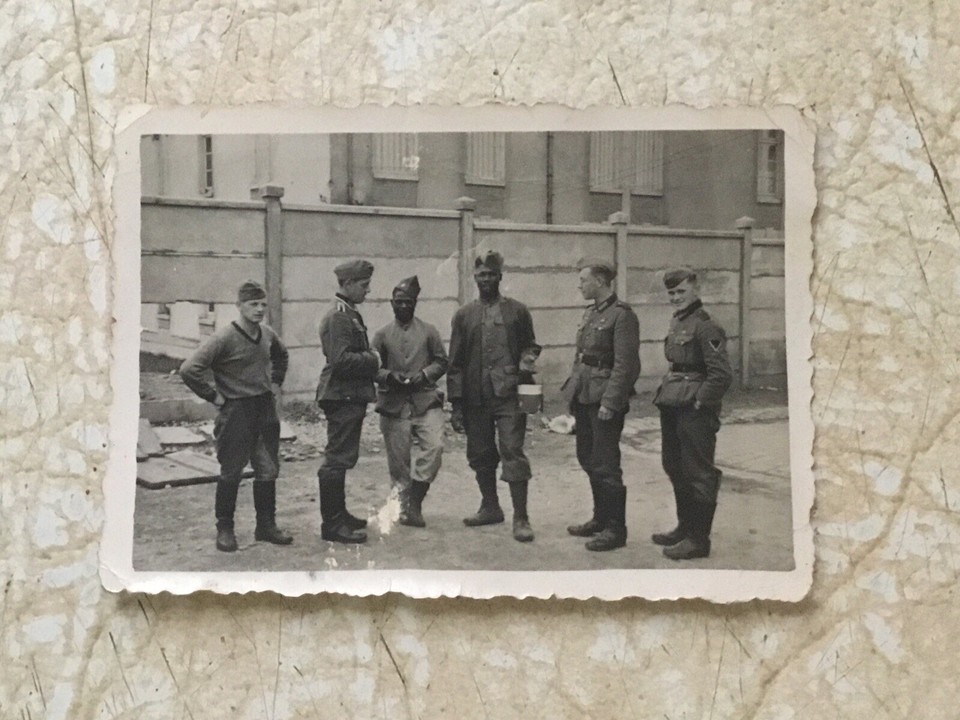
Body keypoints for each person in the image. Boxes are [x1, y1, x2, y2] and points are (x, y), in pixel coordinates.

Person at [179, 280, 293, 553]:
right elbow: (189, 369)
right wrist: (215, 397)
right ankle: (225, 529)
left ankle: (265, 526)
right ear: (239, 306)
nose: (259, 309)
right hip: (237, 412)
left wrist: (275, 382)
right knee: (231, 471)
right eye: (253, 304)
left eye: (263, 304)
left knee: (268, 469)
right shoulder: (223, 338)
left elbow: (282, 355)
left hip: (264, 409)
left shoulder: (267, 334)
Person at [448, 251, 541, 543]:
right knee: (480, 454)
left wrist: (526, 360)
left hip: (510, 395)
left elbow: (531, 345)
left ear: (500, 276)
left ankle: (521, 517)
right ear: (475, 279)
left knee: (512, 451)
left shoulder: (517, 311)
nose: (486, 280)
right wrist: (457, 405)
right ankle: (490, 506)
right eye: (481, 275)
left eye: (491, 274)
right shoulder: (464, 315)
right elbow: (456, 362)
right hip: (477, 397)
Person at [653, 267, 733, 560]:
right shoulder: (678, 321)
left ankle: (699, 540)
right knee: (674, 466)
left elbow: (721, 374)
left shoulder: (706, 326)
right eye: (671, 293)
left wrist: (702, 402)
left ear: (696, 290)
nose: (675, 298)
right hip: (673, 402)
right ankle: (685, 527)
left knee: (698, 472)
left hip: (694, 409)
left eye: (680, 292)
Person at [561, 258, 641, 551]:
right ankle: (600, 518)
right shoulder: (590, 314)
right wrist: (572, 394)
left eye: (583, 280)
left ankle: (615, 529)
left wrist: (611, 401)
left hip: (604, 399)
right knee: (588, 458)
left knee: (606, 463)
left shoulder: (623, 316)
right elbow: (580, 357)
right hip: (585, 396)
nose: (579, 285)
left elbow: (626, 365)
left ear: (600, 281)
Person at [371, 275, 449, 527]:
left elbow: (441, 361)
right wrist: (389, 377)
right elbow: (371, 367)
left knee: (435, 447)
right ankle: (406, 509)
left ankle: (416, 499)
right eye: (398, 302)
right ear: (391, 303)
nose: (403, 306)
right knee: (399, 461)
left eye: (408, 302)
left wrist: (424, 375)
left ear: (415, 303)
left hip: (425, 400)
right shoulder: (382, 334)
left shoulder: (429, 331)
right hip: (394, 405)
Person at [315, 259, 379, 544]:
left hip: (349, 395)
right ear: (348, 284)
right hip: (342, 396)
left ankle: (339, 515)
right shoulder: (339, 316)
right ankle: (332, 525)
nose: (368, 290)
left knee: (343, 458)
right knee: (336, 460)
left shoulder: (349, 313)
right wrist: (374, 359)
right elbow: (340, 360)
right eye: (364, 285)